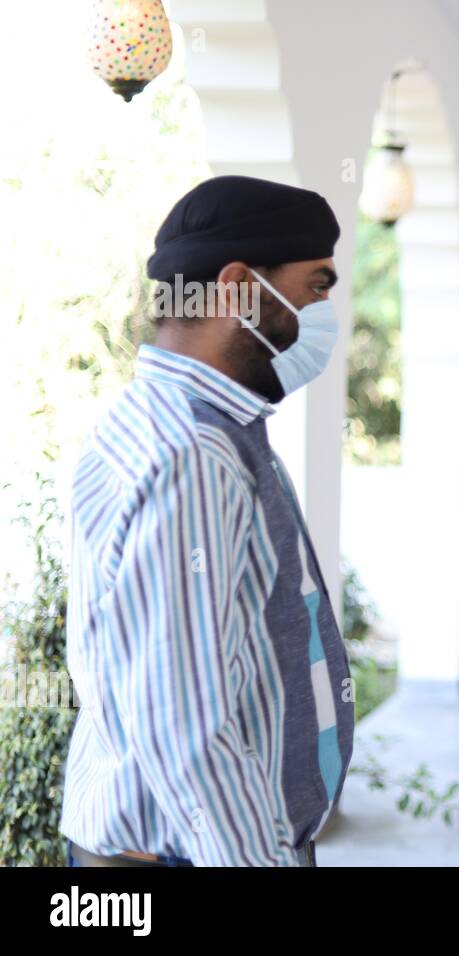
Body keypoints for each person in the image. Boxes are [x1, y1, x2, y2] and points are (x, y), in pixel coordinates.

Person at [60, 175, 354, 866]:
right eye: (317, 284)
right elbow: (185, 721)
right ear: (240, 287)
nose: (325, 309)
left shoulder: (168, 423)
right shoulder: (194, 453)